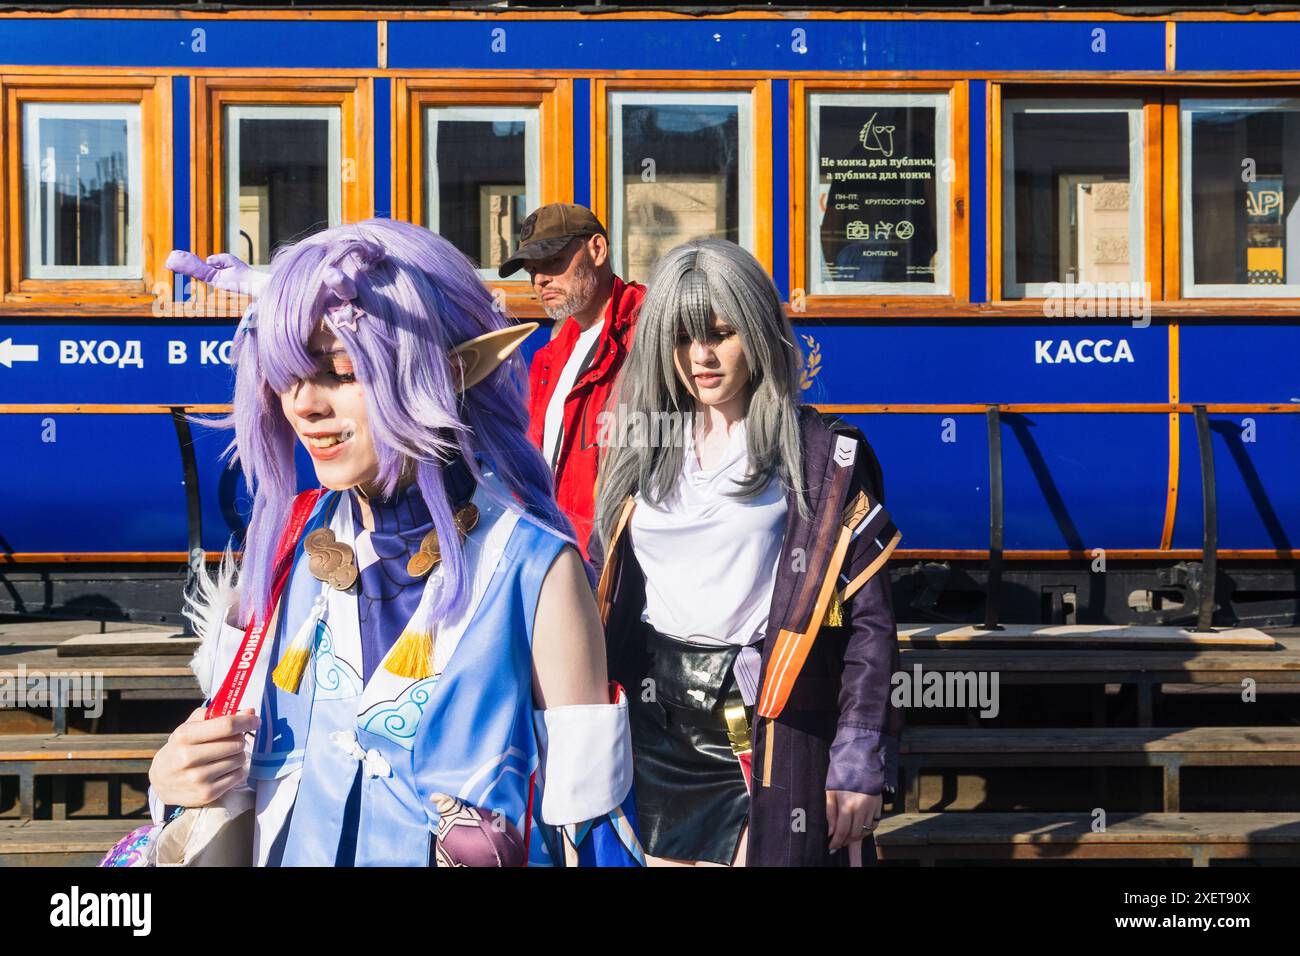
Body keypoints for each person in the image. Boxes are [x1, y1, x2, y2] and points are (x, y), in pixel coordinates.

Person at [141, 219, 641, 867]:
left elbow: (589, 822)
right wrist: (174, 777)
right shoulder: (284, 545)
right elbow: (221, 756)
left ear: (448, 372)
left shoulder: (534, 566)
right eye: (289, 376)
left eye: (342, 373)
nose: (305, 405)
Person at [592, 238, 902, 867]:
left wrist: (858, 755)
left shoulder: (819, 455)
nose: (700, 356)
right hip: (656, 722)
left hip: (760, 719)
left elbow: (869, 627)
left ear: (757, 334)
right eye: (682, 337)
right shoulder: (639, 446)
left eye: (721, 334)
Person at [499, 203, 644, 559]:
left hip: (618, 559)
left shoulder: (648, 327)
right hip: (556, 551)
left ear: (597, 249)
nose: (540, 280)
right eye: (533, 270)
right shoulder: (549, 358)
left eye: (552, 262)